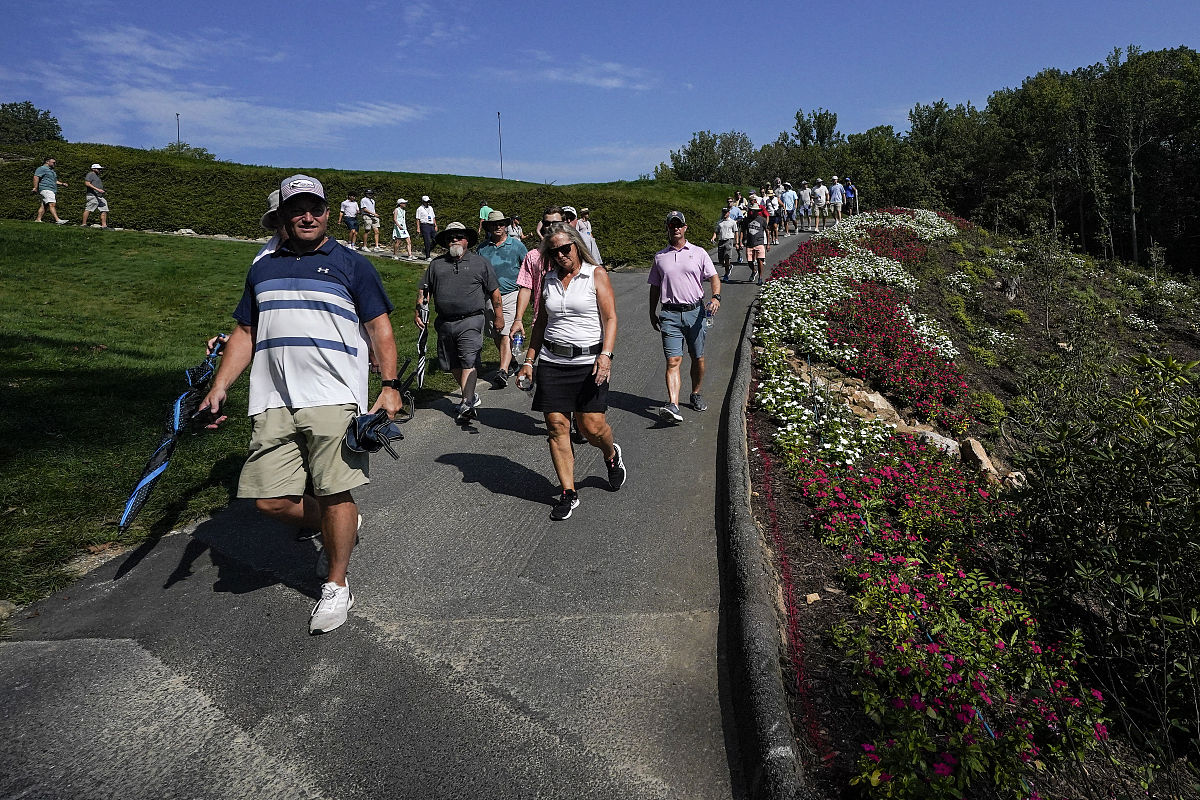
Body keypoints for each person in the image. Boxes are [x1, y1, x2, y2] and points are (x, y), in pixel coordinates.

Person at [197, 174, 401, 635]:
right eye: (297, 209)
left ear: (328, 213)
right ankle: (340, 523)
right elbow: (246, 333)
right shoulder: (262, 266)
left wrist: (390, 385)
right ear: (284, 216)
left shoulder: (352, 264)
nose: (307, 216)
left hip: (334, 396)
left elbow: (380, 327)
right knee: (269, 501)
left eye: (316, 208)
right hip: (272, 397)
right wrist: (220, 384)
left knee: (334, 492)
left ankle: (336, 583)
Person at [515, 224, 624, 521]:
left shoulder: (595, 274)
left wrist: (606, 355)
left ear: (576, 246)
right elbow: (539, 323)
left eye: (566, 248)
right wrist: (529, 360)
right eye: (555, 251)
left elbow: (611, 318)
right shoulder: (547, 279)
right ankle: (568, 492)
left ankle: (610, 455)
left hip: (589, 362)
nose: (562, 255)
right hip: (552, 361)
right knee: (556, 426)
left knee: (591, 428)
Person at [414, 222, 503, 421]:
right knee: (452, 364)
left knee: (468, 359)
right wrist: (418, 309)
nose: (454, 239)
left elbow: (494, 292)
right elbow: (424, 289)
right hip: (444, 323)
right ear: (446, 242)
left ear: (467, 240)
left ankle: (467, 402)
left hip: (472, 320)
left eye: (459, 236)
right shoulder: (436, 264)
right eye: (450, 237)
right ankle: (470, 394)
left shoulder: (480, 263)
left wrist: (499, 316)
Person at [649, 211, 722, 424]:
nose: (675, 228)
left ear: (685, 227)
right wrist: (651, 312)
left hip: (696, 312)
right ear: (668, 228)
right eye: (671, 225)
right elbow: (654, 287)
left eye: (678, 225)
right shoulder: (660, 257)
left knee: (697, 357)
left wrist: (716, 297)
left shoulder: (699, 253)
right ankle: (673, 404)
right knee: (673, 360)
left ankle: (696, 393)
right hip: (669, 314)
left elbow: (713, 277)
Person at [476, 209, 528, 386]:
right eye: (493, 224)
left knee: (506, 332)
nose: (498, 227)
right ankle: (511, 362)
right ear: (488, 227)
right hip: (489, 297)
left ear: (506, 225)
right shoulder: (482, 248)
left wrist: (526, 289)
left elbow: (527, 266)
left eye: (500, 224)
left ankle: (502, 371)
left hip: (511, 294)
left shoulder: (517, 245)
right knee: (497, 333)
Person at [511, 206, 564, 343]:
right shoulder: (533, 256)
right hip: (542, 320)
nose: (551, 227)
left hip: (569, 320)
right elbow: (525, 287)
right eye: (547, 223)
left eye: (556, 223)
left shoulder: (573, 253)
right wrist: (518, 319)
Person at [32, 157, 69, 224]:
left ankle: (38, 219)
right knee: (52, 204)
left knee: (44, 205)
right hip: (46, 188)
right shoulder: (42, 168)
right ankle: (58, 220)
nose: (54, 164)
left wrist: (62, 184)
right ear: (47, 162)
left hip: (51, 189)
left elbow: (55, 181)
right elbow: (36, 177)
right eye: (53, 162)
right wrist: (35, 187)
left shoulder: (52, 171)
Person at [744, 202, 768, 285]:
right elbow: (743, 231)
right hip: (750, 243)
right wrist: (740, 241)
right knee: (750, 261)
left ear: (758, 211)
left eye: (755, 211)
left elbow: (767, 231)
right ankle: (754, 271)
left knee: (760, 261)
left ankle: (760, 277)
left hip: (759, 242)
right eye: (753, 211)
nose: (754, 212)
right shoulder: (747, 220)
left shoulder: (762, 220)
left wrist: (768, 244)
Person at [711, 206, 738, 280]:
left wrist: (737, 242)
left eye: (726, 212)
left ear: (729, 213)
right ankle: (728, 266)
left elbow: (736, 232)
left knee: (727, 257)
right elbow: (716, 231)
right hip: (721, 241)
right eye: (723, 212)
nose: (724, 214)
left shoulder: (732, 222)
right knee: (720, 260)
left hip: (729, 240)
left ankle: (726, 274)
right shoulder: (720, 222)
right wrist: (713, 237)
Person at [82, 164, 108, 228]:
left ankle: (104, 226)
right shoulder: (90, 174)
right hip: (92, 195)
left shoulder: (97, 176)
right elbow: (87, 183)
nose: (100, 170)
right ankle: (83, 224)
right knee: (88, 209)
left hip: (99, 196)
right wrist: (98, 189)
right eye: (98, 169)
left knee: (104, 209)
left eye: (100, 169)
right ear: (93, 169)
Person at [416, 195, 437, 260]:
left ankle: (426, 250)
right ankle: (428, 256)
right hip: (425, 225)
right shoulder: (419, 209)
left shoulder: (431, 208)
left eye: (428, 201)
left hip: (431, 225)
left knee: (436, 239)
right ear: (423, 202)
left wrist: (435, 225)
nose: (427, 203)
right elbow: (418, 219)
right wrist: (418, 228)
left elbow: (433, 217)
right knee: (427, 240)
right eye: (426, 202)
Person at [727, 197, 744, 263]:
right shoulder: (725, 210)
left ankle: (739, 255)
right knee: (727, 243)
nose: (729, 203)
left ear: (733, 203)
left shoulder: (737, 210)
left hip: (735, 228)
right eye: (728, 201)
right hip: (727, 228)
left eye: (730, 201)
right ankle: (727, 258)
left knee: (736, 244)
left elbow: (741, 218)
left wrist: (736, 221)